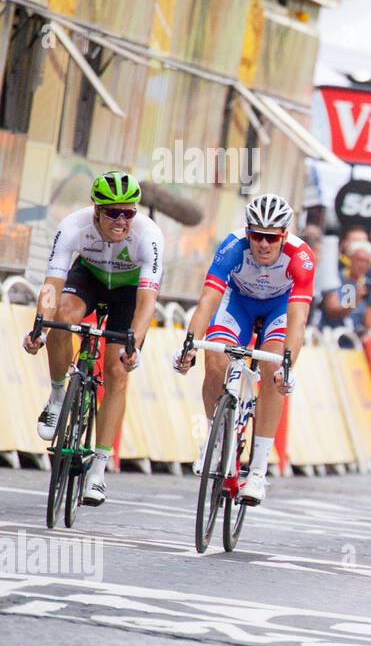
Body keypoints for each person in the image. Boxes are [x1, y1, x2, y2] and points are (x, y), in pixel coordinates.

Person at [23, 172, 163, 506]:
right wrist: (40, 327)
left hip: (128, 294)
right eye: (112, 212)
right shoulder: (74, 226)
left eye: (128, 213)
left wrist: (134, 342)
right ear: (96, 210)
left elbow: (147, 301)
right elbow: (52, 284)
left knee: (116, 370)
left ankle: (98, 470)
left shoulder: (149, 236)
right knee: (62, 319)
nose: (121, 220)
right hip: (90, 278)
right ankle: (58, 397)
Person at [174, 194, 313, 506]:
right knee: (214, 360)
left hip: (279, 308)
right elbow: (208, 298)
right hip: (238, 303)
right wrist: (189, 345)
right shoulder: (233, 246)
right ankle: (214, 440)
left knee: (272, 372)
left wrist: (287, 367)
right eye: (257, 236)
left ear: (284, 236)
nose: (263, 244)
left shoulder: (301, 256)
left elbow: (298, 318)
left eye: (271, 238)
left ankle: (259, 472)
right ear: (248, 232)